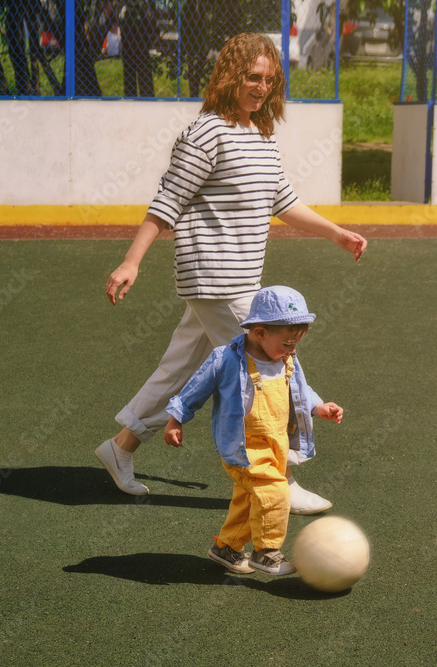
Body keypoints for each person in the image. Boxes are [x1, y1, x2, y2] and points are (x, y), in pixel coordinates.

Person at [96, 33, 366, 515]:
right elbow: (168, 201)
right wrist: (132, 260)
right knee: (269, 370)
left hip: (240, 278)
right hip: (214, 278)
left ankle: (122, 447)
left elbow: (282, 199)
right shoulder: (206, 133)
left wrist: (335, 233)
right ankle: (279, 481)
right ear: (229, 76)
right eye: (252, 77)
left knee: (180, 369)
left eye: (268, 79)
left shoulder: (260, 135)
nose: (261, 87)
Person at [163, 286, 342, 575]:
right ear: (259, 332)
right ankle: (266, 552)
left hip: (276, 443)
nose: (292, 350)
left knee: (249, 500)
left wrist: (318, 407)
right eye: (287, 344)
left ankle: (226, 549)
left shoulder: (286, 359)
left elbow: (299, 389)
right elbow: (196, 388)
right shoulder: (226, 359)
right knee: (274, 492)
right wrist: (176, 419)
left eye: (295, 344)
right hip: (243, 447)